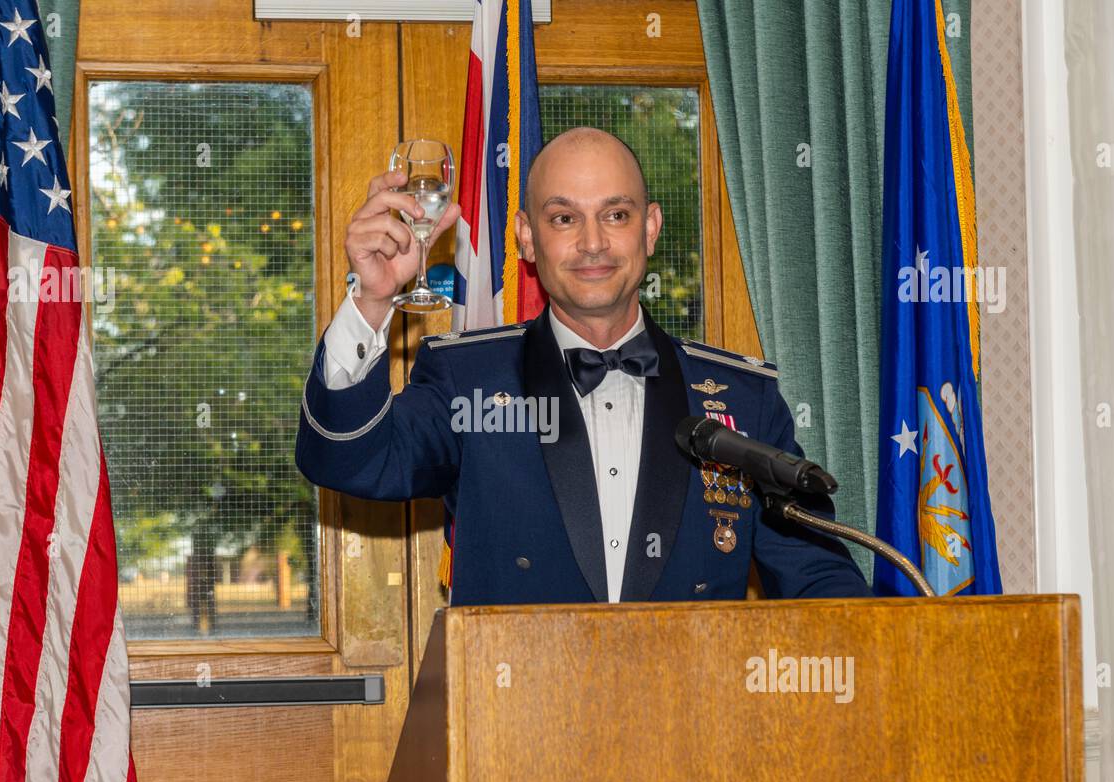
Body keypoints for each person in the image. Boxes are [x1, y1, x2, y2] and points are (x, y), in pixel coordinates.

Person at [296, 127, 871, 605]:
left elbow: (820, 580)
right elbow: (350, 461)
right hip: (517, 724)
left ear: (650, 228)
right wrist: (371, 301)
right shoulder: (466, 380)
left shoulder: (744, 399)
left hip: (696, 730)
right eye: (564, 219)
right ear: (526, 237)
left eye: (615, 215)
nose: (593, 243)